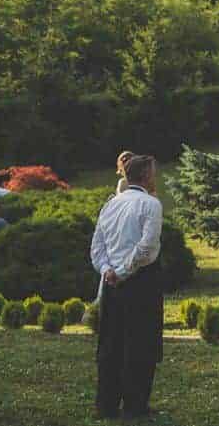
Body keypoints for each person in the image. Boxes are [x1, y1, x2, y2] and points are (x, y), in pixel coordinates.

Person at [91, 153, 164, 420]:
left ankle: (106, 405)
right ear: (145, 176)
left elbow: (97, 247)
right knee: (141, 344)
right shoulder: (151, 204)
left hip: (111, 284)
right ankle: (135, 406)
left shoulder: (111, 204)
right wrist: (122, 272)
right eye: (153, 173)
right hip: (141, 281)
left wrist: (108, 270)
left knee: (110, 343)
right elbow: (146, 247)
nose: (155, 178)